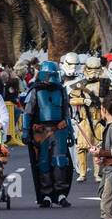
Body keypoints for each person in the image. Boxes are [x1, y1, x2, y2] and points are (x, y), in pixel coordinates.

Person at [23, 61, 74, 207]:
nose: (52, 77)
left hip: (59, 128)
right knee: (43, 162)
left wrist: (69, 132)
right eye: (50, 74)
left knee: (60, 161)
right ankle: (46, 194)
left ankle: (60, 193)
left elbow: (66, 112)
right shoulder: (35, 91)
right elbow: (27, 113)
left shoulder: (61, 90)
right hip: (41, 130)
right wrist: (26, 131)